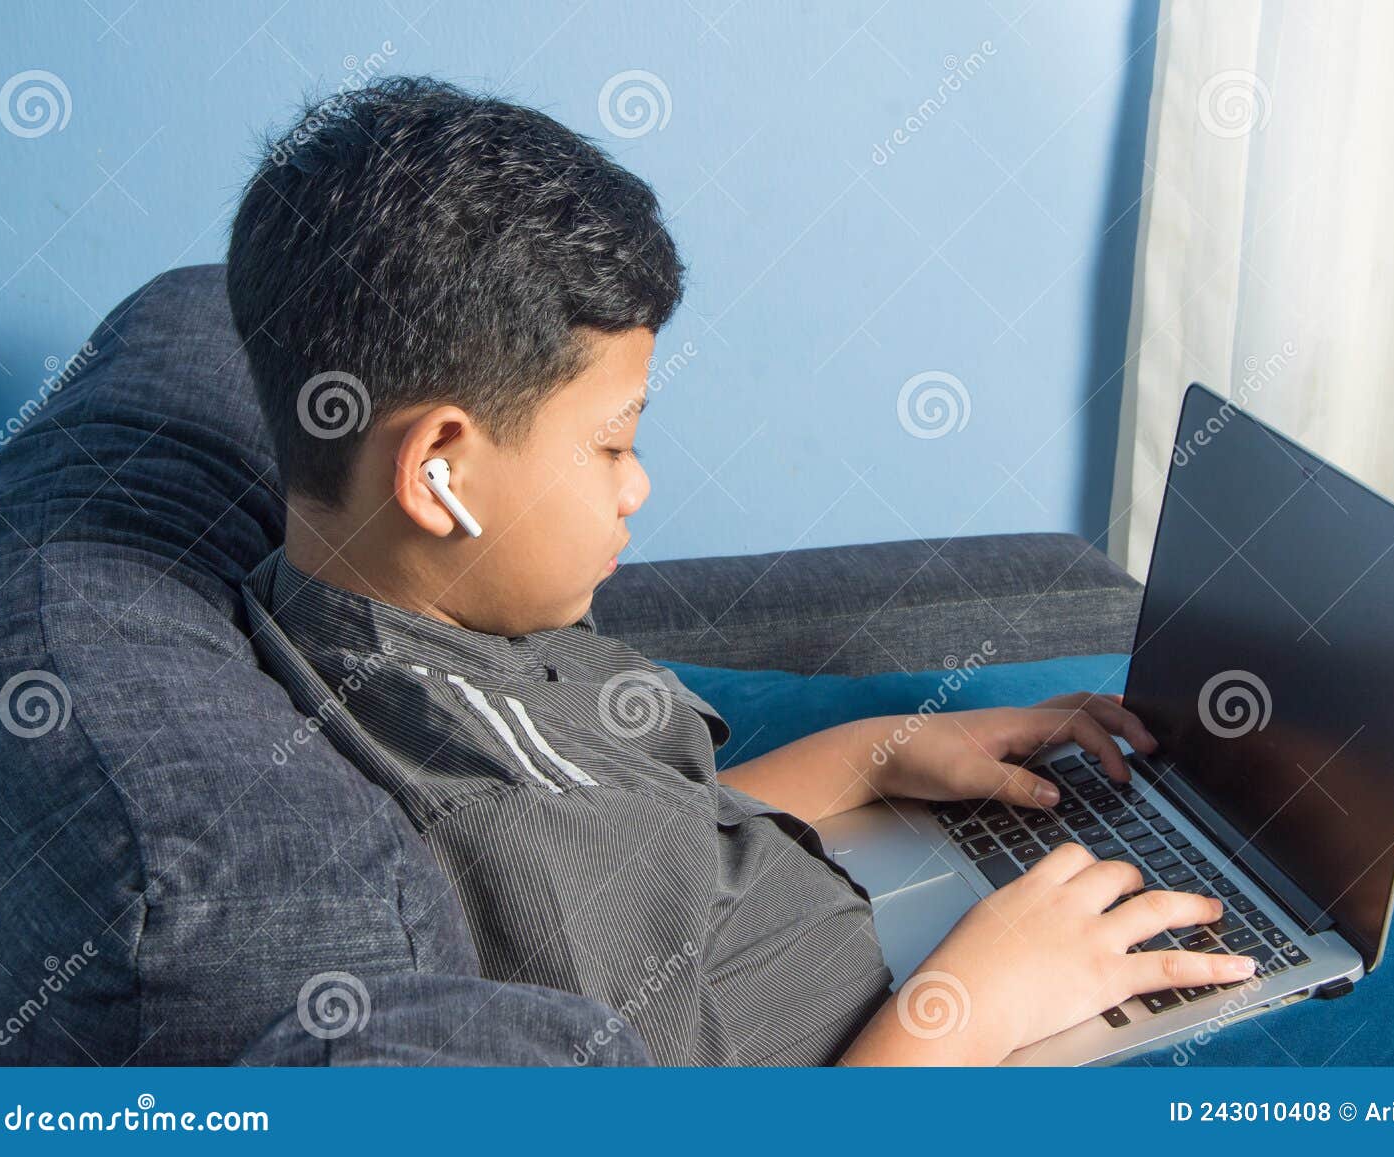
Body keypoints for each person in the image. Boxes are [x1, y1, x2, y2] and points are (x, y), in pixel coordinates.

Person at [231, 76, 1255, 1066]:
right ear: (438, 472)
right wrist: (977, 999)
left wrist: (870, 755)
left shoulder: (393, 615)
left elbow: (659, 851)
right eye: (609, 445)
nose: (636, 485)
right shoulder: (515, 830)